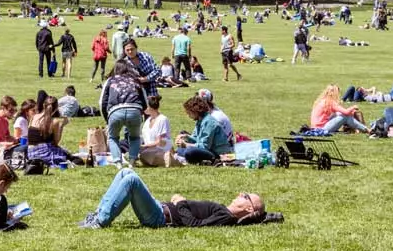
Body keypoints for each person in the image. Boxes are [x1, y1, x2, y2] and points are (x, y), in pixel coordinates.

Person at [83, 167, 270, 228]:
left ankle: (100, 221)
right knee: (126, 172)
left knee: (131, 180)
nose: (239, 194)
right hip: (160, 207)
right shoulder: (225, 211)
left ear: (249, 208)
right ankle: (98, 214)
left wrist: (180, 203)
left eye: (245, 196)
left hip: (160, 217)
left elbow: (194, 225)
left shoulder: (226, 217)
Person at [99, 61, 146, 167]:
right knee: (135, 137)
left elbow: (102, 101)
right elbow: (144, 98)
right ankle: (132, 162)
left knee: (113, 137)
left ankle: (118, 163)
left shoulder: (110, 80)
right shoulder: (135, 80)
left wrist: (107, 119)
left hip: (116, 111)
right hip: (135, 110)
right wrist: (142, 111)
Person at [175, 95, 232, 164]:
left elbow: (204, 146)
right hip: (209, 149)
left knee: (189, 151)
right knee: (181, 149)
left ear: (195, 111)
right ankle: (184, 156)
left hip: (218, 153)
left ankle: (187, 157)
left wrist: (185, 145)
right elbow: (197, 139)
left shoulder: (209, 122)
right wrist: (186, 137)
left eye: (189, 113)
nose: (188, 115)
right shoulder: (200, 120)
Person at [138, 94, 173, 167]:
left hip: (160, 149)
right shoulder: (147, 121)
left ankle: (167, 157)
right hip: (150, 149)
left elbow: (159, 142)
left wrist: (144, 146)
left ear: (149, 108)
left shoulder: (162, 119)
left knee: (144, 155)